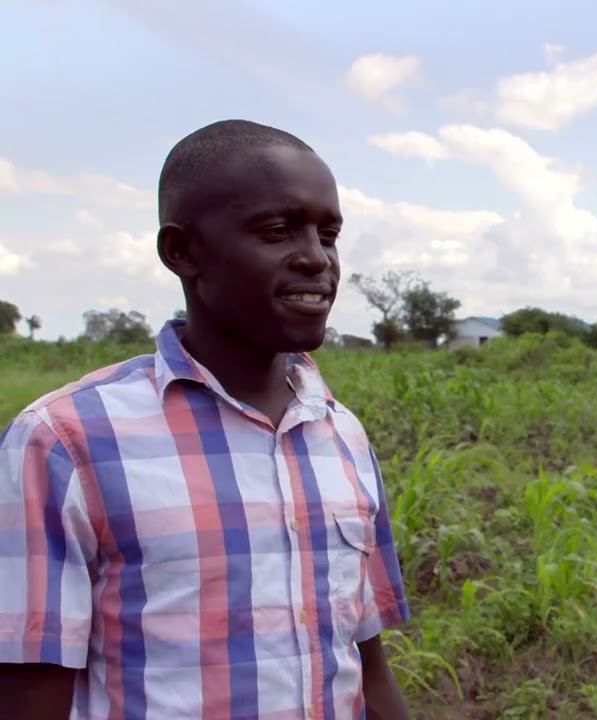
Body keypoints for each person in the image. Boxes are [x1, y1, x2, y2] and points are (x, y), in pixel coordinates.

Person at [0, 120, 410, 719]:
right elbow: (26, 692)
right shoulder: (63, 442)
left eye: (328, 235)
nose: (316, 259)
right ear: (182, 252)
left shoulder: (338, 432)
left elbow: (365, 667)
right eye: (278, 232)